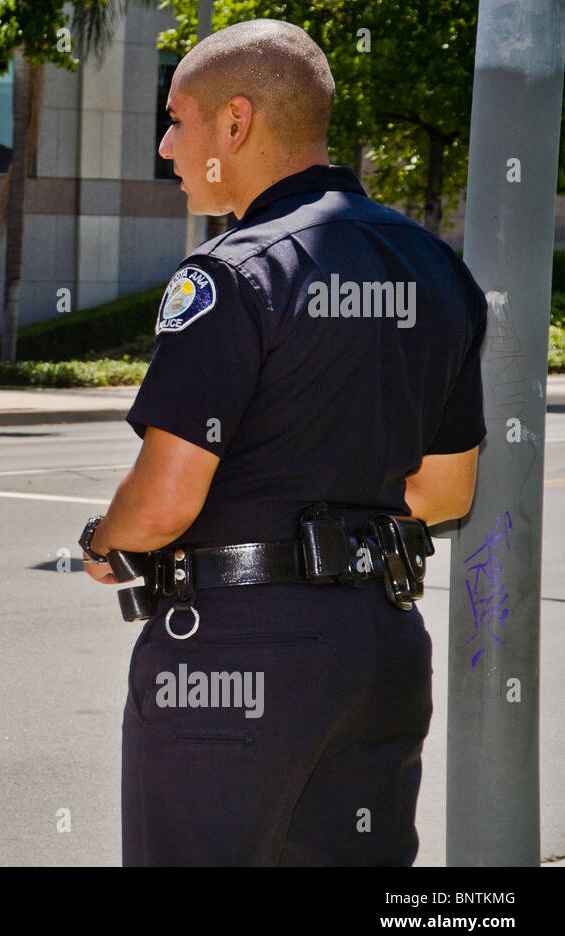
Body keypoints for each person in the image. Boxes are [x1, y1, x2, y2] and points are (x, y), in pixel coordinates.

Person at [78, 19, 486, 865]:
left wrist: (102, 541)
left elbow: (161, 505)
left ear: (236, 123)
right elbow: (446, 493)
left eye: (177, 118)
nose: (166, 144)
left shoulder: (229, 273)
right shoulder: (434, 267)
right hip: (382, 649)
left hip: (233, 657)